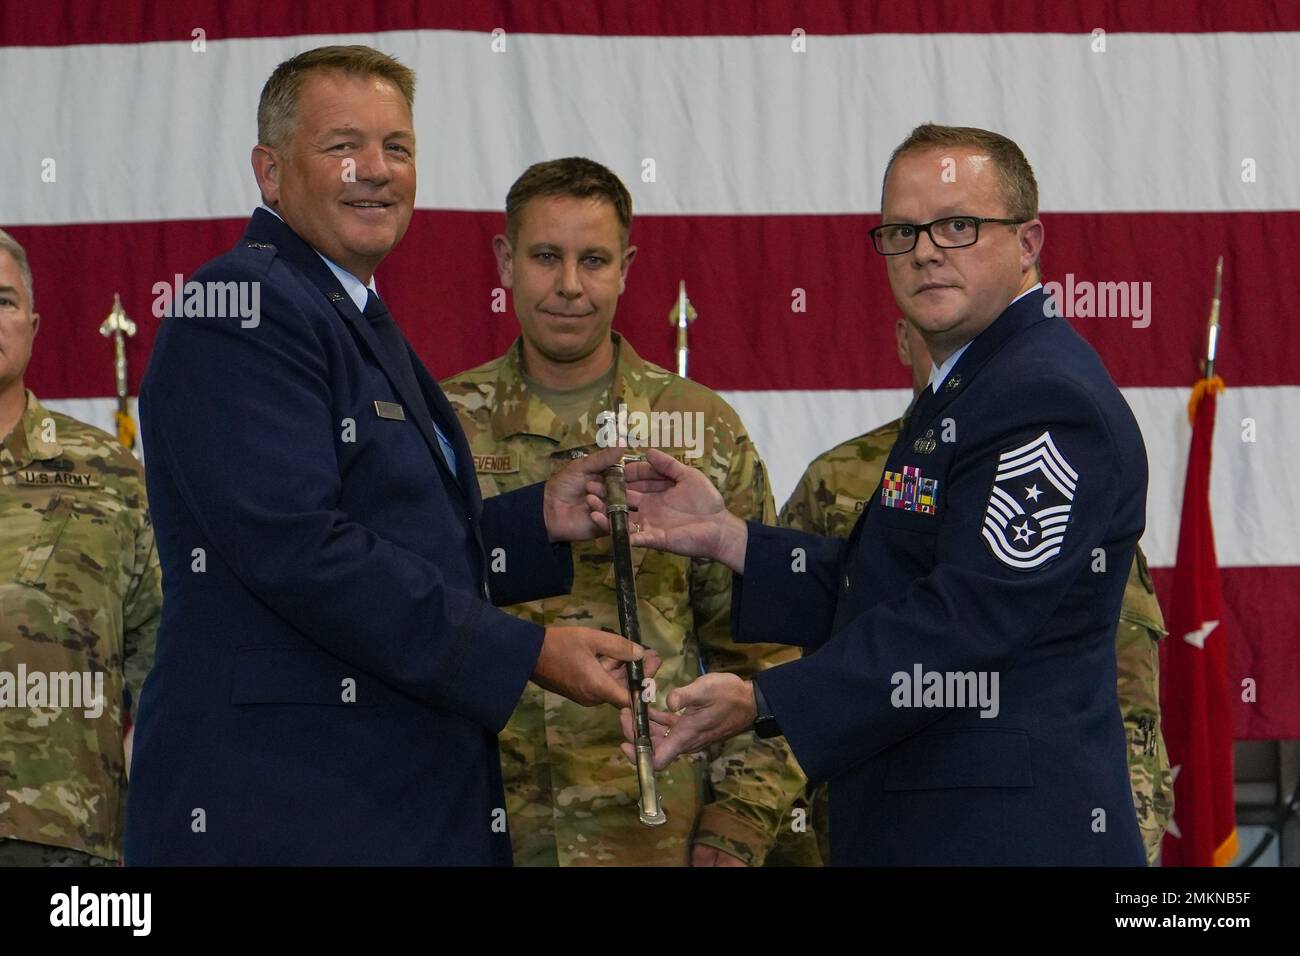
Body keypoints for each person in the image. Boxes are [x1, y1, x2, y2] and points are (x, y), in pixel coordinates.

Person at [125, 46, 653, 866]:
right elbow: (300, 548)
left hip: (375, 804)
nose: (375, 170)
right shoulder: (244, 307)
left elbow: (394, 533)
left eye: (396, 147)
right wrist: (528, 653)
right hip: (289, 812)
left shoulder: (343, 309)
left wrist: (533, 522)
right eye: (343, 146)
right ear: (270, 173)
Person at [604, 124, 1151, 865]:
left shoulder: (1044, 397)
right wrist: (730, 538)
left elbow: (962, 623)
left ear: (1029, 244)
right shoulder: (970, 383)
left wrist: (767, 700)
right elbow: (889, 587)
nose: (925, 250)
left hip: (1002, 838)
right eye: (902, 230)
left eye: (958, 226)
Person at [441, 157, 805, 867]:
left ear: (627, 267)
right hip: (478, 831)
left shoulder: (700, 431)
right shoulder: (441, 427)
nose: (570, 285)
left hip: (656, 837)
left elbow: (766, 656)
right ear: (505, 261)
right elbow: (402, 612)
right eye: (547, 256)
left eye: (594, 259)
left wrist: (737, 828)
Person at [770, 317, 1172, 866]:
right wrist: (733, 543)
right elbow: (839, 615)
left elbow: (1121, 692)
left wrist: (765, 699)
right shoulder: (856, 472)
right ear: (900, 335)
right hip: (887, 818)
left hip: (1018, 830)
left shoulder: (1050, 429)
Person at [0, 228, 160, 866]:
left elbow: (163, 666)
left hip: (70, 841)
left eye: (3, 301)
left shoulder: (108, 472)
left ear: (34, 327)